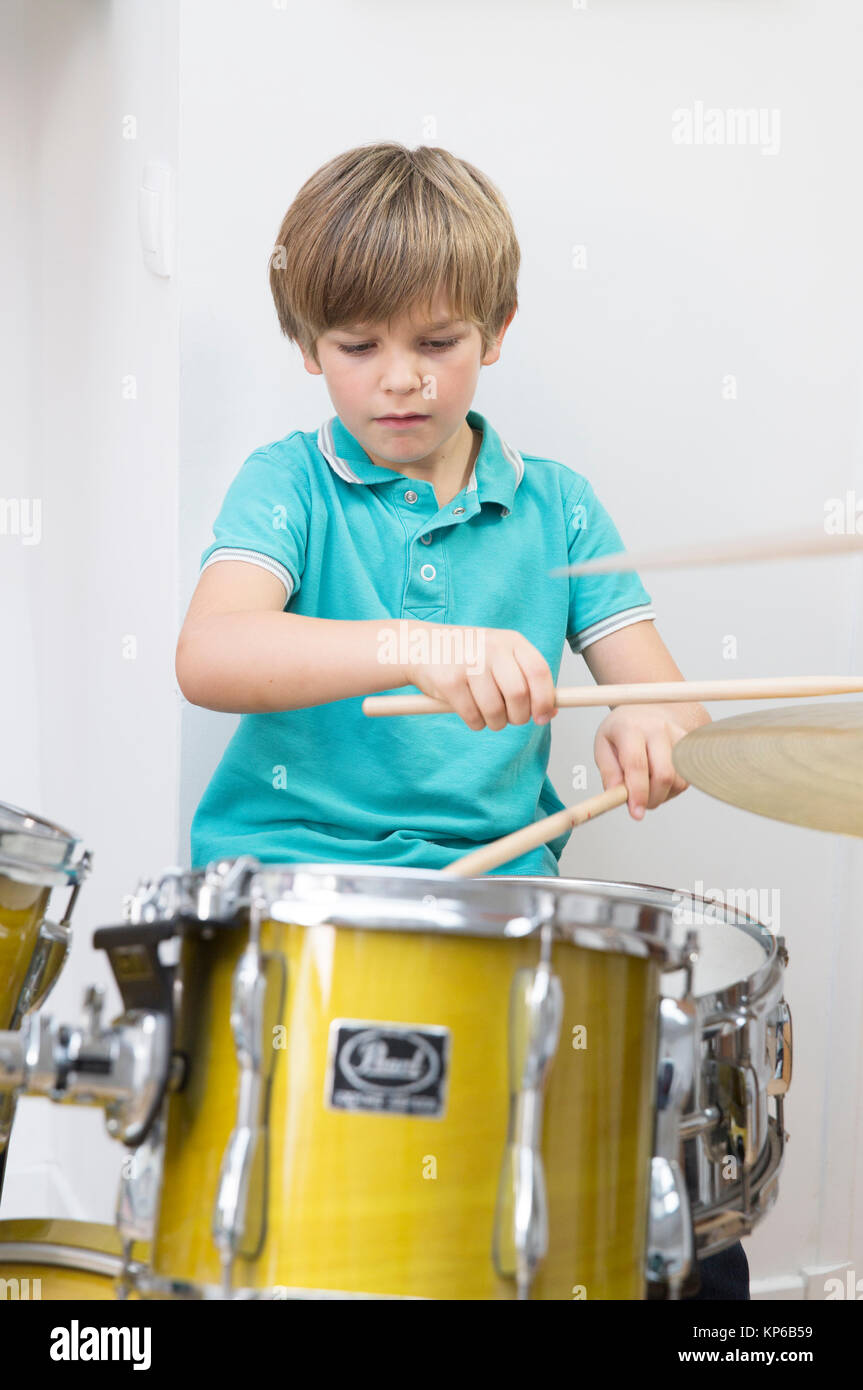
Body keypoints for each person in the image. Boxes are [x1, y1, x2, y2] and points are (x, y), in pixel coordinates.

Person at [175, 141, 745, 1299]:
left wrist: (647, 729)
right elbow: (211, 651)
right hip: (298, 915)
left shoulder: (559, 507)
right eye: (358, 347)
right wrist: (417, 646)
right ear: (304, 346)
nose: (401, 379)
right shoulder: (286, 484)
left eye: (436, 343)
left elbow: (666, 698)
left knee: (679, 1244)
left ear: (496, 330)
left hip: (501, 926)